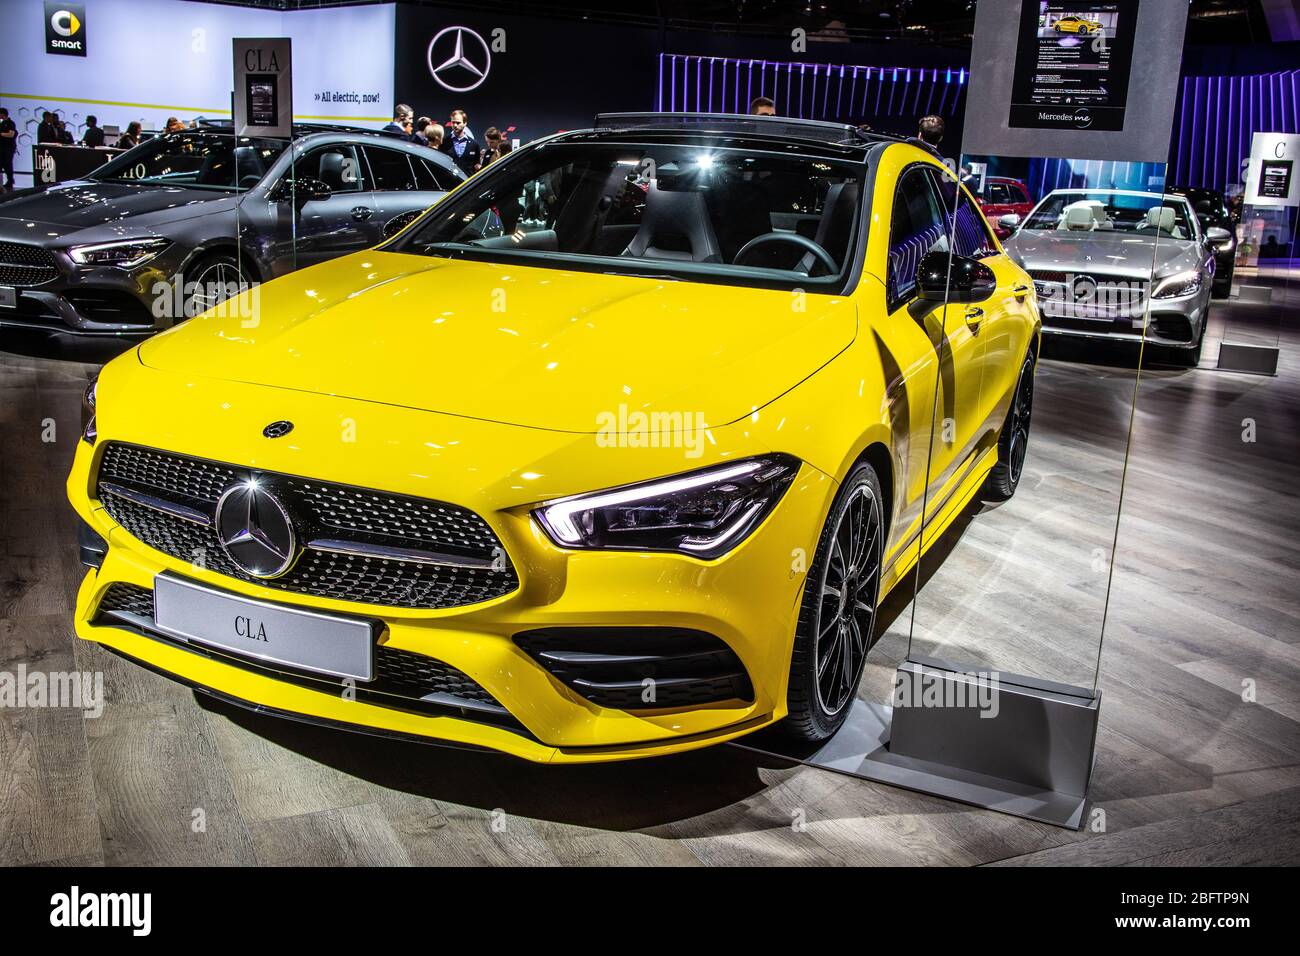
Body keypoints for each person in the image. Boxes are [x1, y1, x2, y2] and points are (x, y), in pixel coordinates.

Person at [440, 109, 482, 175]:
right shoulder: (443, 142)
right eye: (453, 122)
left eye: (458, 123)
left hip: (469, 182)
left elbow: (477, 165)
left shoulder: (474, 144)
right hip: (449, 181)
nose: (455, 125)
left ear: (465, 123)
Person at [0, 107, 16, 190]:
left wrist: (1, 134)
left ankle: (10, 181)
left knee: (8, 165)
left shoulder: (10, 123)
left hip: (8, 148)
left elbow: (11, 134)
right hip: (1, 148)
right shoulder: (1, 123)